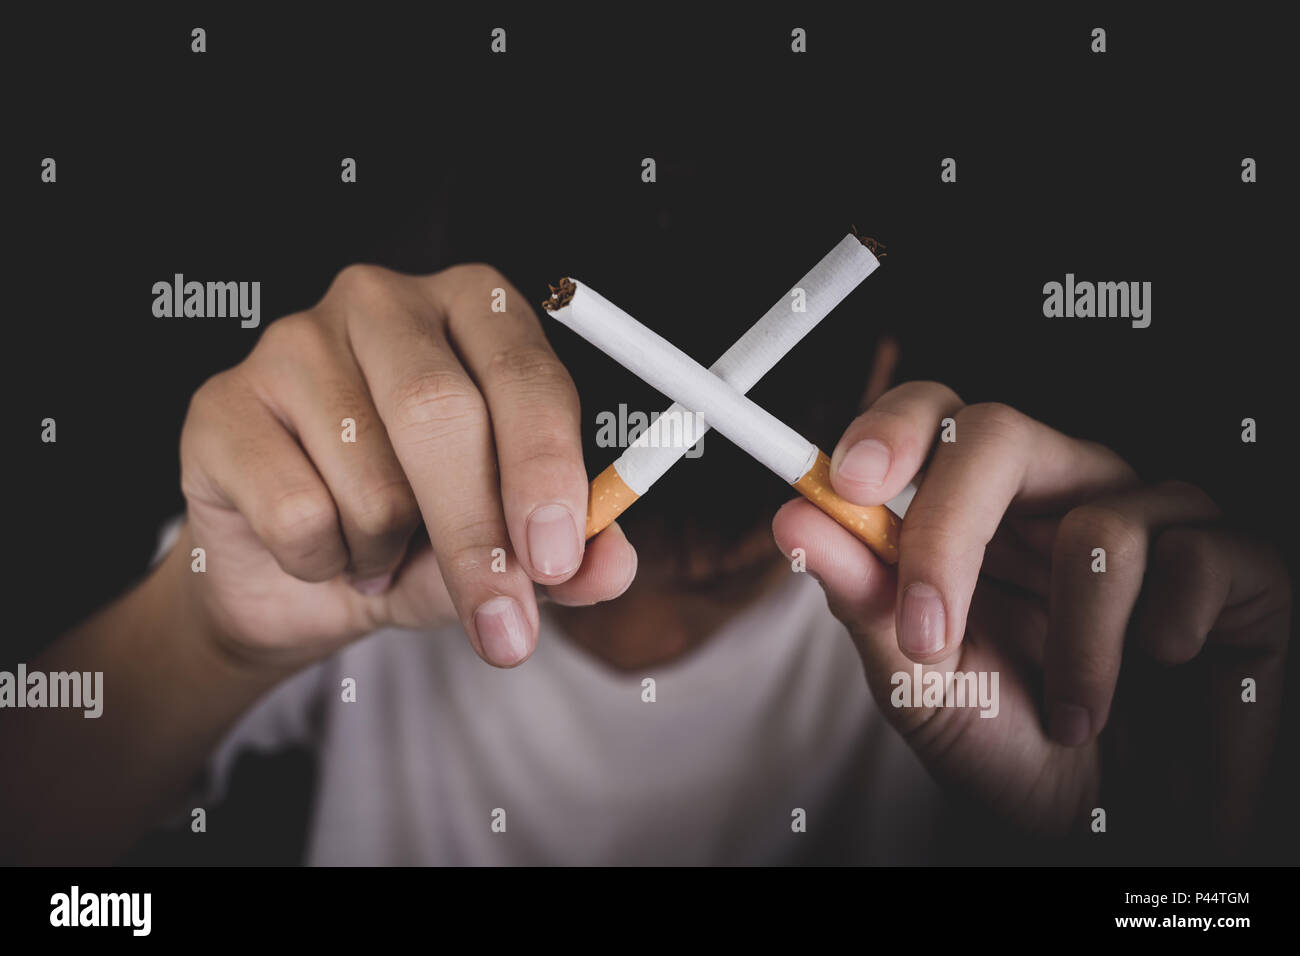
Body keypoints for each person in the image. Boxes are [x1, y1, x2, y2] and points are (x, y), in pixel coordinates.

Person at [0, 261, 1290, 865]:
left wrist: (1184, 876)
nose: (641, 585)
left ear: (886, 367)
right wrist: (210, 636)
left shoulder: (981, 623)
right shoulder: (363, 522)